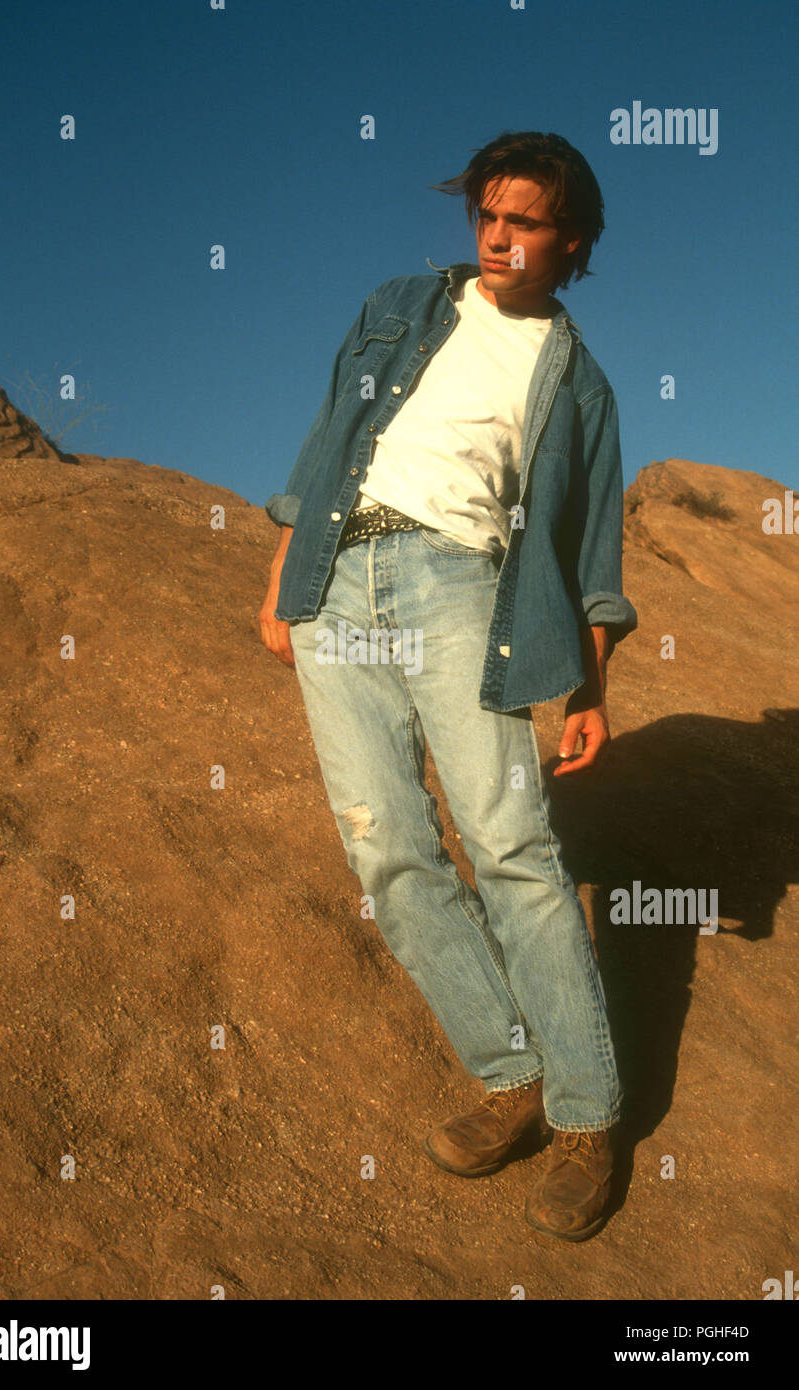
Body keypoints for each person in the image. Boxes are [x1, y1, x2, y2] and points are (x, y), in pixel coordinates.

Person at [259, 131, 637, 1242]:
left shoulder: (581, 386)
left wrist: (590, 687)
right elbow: (329, 440)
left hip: (458, 581)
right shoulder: (396, 304)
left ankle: (583, 1117)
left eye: (523, 223)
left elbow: (589, 556)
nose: (497, 238)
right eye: (486, 217)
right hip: (338, 578)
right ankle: (507, 1071)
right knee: (386, 844)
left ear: (569, 241)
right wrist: (283, 577)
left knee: (510, 845)